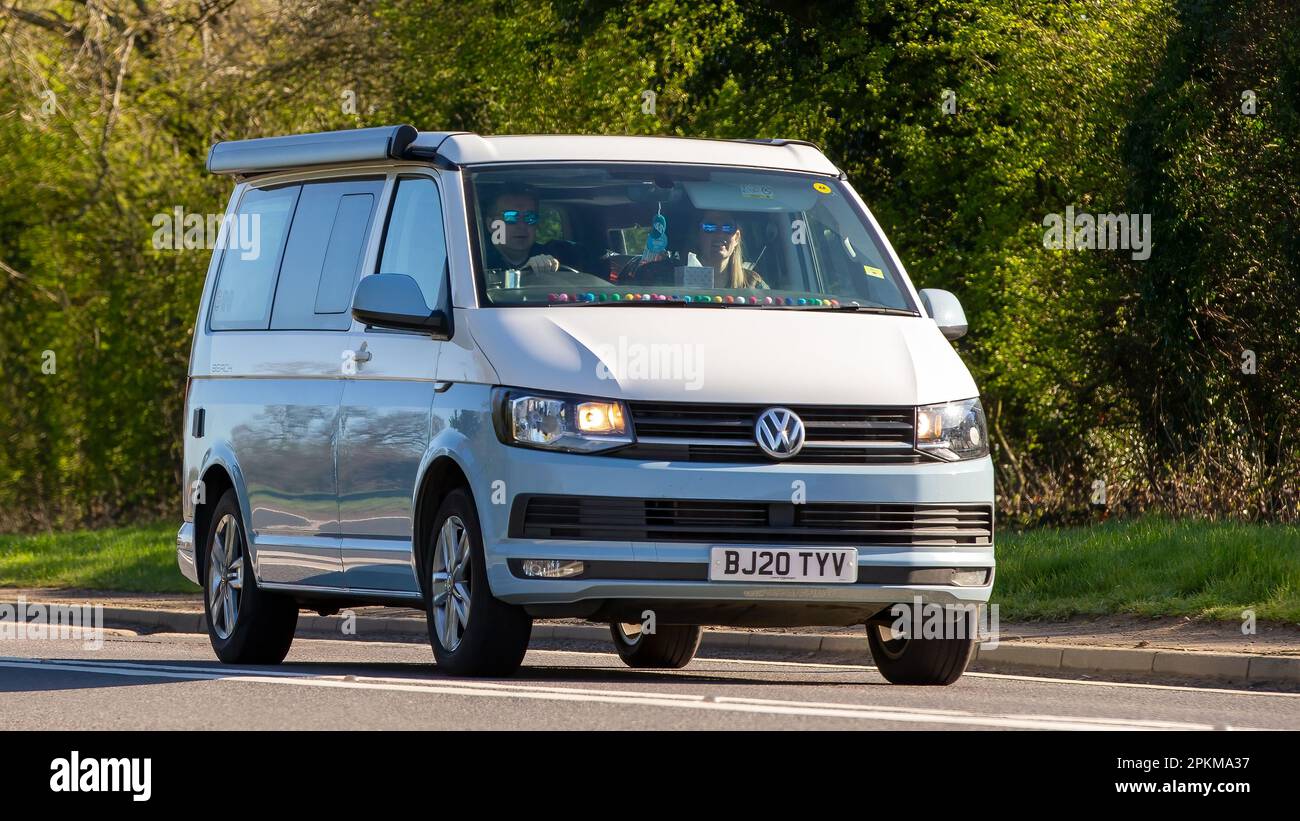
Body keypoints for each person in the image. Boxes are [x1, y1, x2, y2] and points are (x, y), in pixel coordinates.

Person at [482, 188, 576, 276]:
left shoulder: (558, 256)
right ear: (491, 224)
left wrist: (550, 273)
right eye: (510, 217)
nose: (522, 225)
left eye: (530, 217)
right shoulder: (475, 262)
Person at [687, 210, 766, 289]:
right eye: (710, 227)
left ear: (737, 238)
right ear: (698, 235)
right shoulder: (678, 280)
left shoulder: (753, 284)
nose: (719, 234)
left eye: (728, 228)